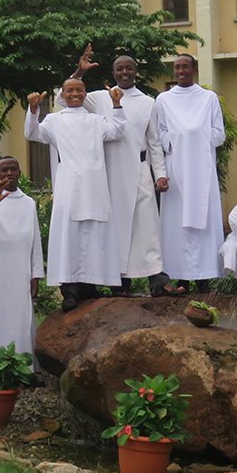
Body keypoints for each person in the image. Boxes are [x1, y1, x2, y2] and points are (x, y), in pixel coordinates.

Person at [67, 45, 171, 296]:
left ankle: (155, 279)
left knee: (146, 226)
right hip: (110, 171)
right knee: (115, 229)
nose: (124, 72)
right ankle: (119, 283)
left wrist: (161, 175)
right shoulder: (100, 97)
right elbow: (65, 98)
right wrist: (79, 72)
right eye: (119, 69)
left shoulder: (149, 102)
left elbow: (155, 141)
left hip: (139, 168)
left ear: (136, 72)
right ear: (113, 73)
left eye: (129, 68)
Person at [25, 79, 126, 310]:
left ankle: (91, 287)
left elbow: (117, 131)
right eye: (70, 90)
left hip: (95, 184)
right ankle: (69, 290)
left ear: (84, 93)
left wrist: (117, 105)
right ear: (62, 94)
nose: (75, 94)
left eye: (79, 90)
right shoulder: (54, 120)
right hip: (69, 184)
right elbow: (33, 133)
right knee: (69, 235)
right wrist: (33, 110)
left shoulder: (96, 120)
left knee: (94, 234)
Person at [155, 54, 226, 291]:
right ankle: (181, 277)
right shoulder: (163, 99)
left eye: (185, 66)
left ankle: (204, 279)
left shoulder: (208, 98)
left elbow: (219, 133)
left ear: (195, 69)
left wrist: (195, 136)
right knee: (176, 224)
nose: (181, 71)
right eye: (177, 67)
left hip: (202, 170)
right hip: (176, 169)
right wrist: (180, 139)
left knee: (203, 221)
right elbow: (160, 133)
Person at [0, 156, 44, 355]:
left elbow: (35, 239)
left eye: (13, 169)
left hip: (20, 269)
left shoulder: (28, 203)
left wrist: (36, 274)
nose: (9, 174)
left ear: (20, 173)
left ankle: (22, 363)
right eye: (4, 170)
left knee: (19, 317)